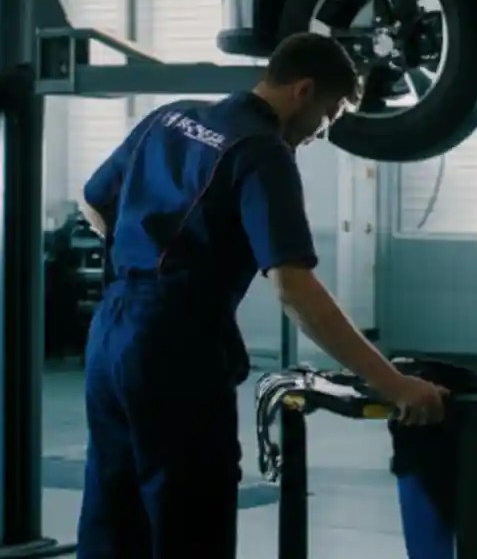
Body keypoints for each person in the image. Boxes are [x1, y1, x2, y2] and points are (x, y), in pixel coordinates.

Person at [74, 32, 450, 559]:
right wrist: (393, 383)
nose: (323, 131)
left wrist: (145, 255)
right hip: (175, 347)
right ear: (304, 90)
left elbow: (93, 202)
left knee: (114, 510)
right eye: (331, 114)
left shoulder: (170, 116)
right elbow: (294, 289)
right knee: (190, 516)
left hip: (110, 332)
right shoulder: (261, 151)